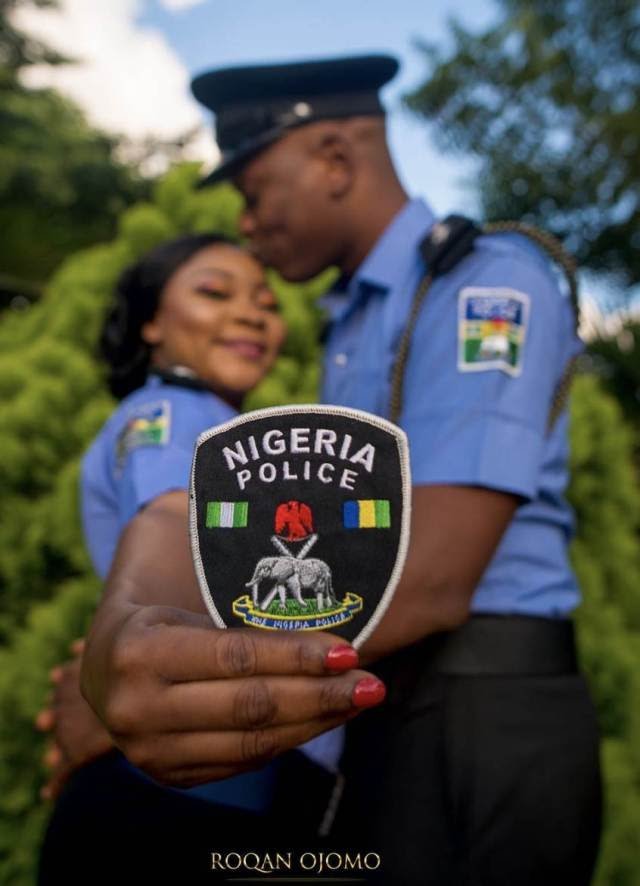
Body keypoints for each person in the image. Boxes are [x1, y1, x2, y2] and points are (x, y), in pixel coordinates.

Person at [79, 54, 601, 885]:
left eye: (255, 192)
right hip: (373, 696)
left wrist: (175, 681)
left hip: (477, 705)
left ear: (333, 159)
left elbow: (432, 575)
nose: (247, 221)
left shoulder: (482, 284)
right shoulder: (351, 324)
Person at [37, 233, 384, 884]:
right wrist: (137, 648)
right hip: (194, 808)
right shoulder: (170, 413)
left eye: (265, 303)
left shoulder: (215, 430)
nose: (251, 314)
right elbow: (175, 519)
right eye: (214, 293)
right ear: (151, 322)